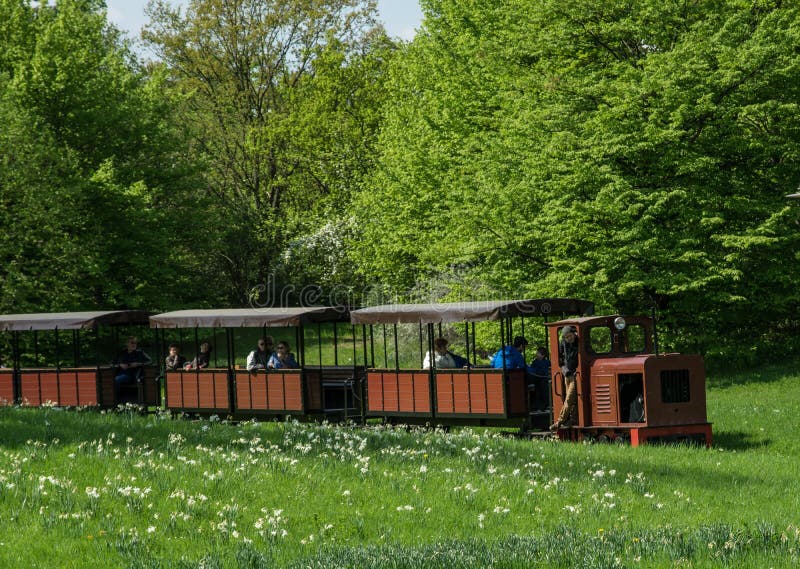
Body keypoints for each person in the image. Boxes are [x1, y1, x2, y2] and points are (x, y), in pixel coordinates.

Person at [550, 326, 579, 430]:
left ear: (574, 334)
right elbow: (560, 360)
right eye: (566, 337)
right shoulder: (562, 344)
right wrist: (565, 371)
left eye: (570, 336)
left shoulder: (580, 342)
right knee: (572, 400)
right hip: (567, 375)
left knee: (569, 398)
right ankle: (572, 419)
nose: (569, 339)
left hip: (576, 375)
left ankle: (559, 421)